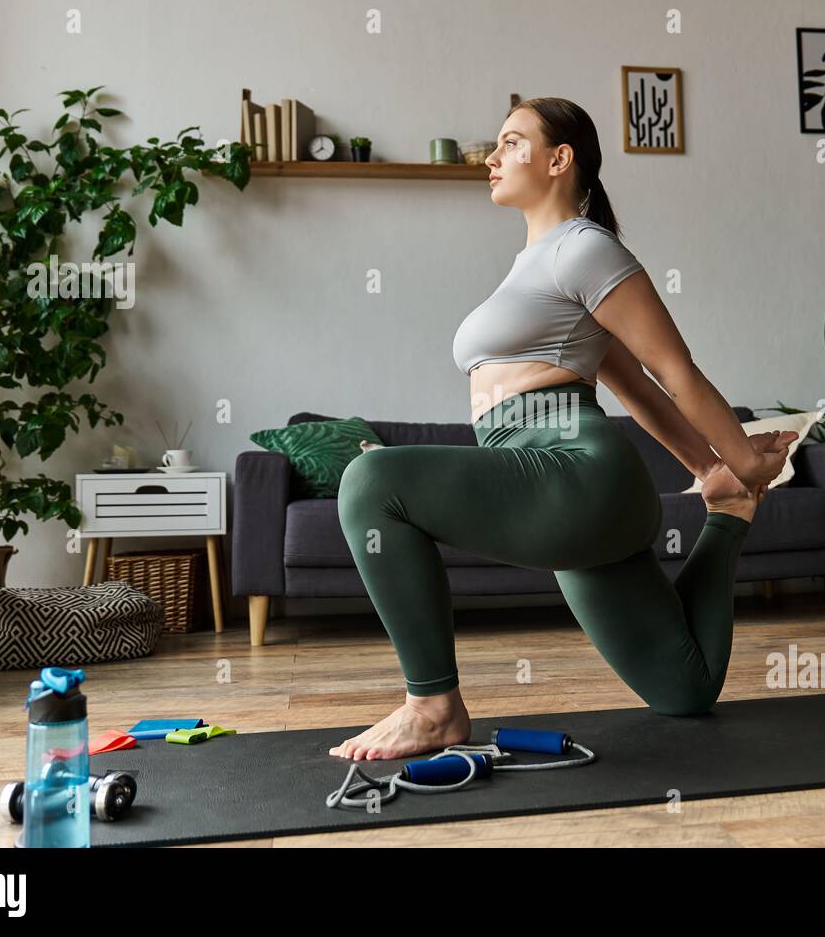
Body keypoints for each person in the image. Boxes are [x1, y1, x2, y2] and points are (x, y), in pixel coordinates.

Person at [330, 97, 795, 760]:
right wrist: (711, 475)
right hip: (561, 487)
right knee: (683, 689)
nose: (491, 157)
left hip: (575, 471)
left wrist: (744, 455)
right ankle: (730, 518)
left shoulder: (584, 249)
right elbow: (633, 389)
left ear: (559, 159)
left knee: (368, 482)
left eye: (511, 142)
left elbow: (673, 369)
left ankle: (433, 707)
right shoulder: (540, 266)